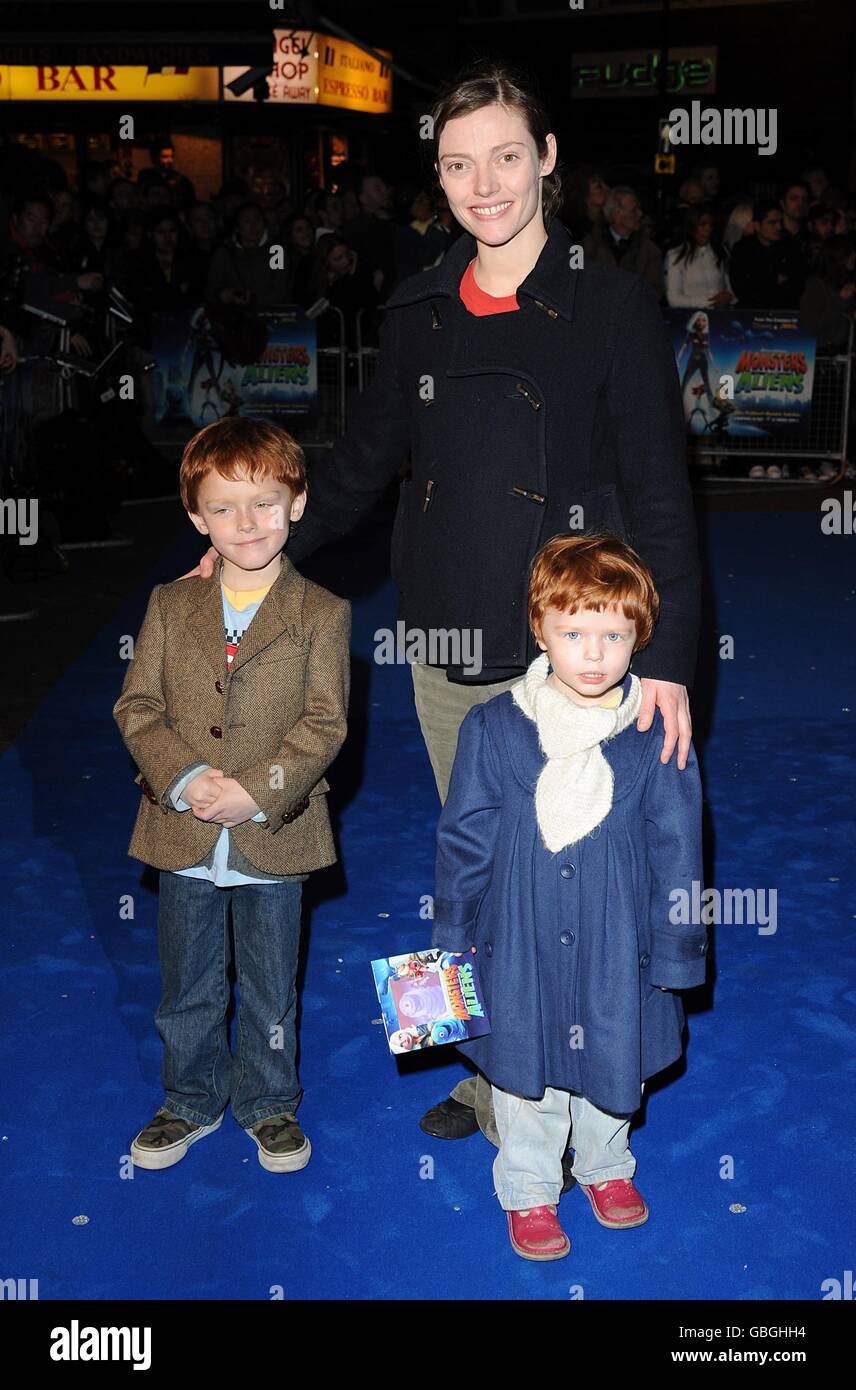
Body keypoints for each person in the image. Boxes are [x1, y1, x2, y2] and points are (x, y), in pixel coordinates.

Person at [180, 58, 702, 1149]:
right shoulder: (416, 308)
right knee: (471, 863)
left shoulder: (609, 306)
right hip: (451, 637)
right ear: (438, 179)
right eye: (459, 165)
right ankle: (479, 1068)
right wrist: (252, 547)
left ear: (547, 160)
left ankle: (593, 1079)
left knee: (582, 880)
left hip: (582, 648)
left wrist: (671, 663)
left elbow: (661, 490)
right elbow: (364, 463)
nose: (485, 184)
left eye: (506, 156)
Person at [430, 533, 707, 1258]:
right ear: (539, 628)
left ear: (639, 635)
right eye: (574, 633)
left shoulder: (656, 732)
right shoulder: (492, 726)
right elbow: (463, 838)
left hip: (619, 937)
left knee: (614, 1052)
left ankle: (606, 1165)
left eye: (614, 635)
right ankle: (527, 1186)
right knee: (522, 1061)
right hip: (515, 934)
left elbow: (679, 849)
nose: (594, 654)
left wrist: (676, 953)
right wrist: (451, 941)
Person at [113, 416, 351, 1173]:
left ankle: (268, 1101)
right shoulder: (167, 605)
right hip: (182, 832)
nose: (247, 523)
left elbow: (325, 725)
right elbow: (137, 708)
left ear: (299, 503)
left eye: (265, 503)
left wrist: (254, 791)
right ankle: (187, 1098)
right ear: (196, 517)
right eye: (224, 507)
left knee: (271, 987)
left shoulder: (323, 613)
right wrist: (185, 779)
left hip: (275, 833)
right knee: (186, 984)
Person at [581, 185, 663, 298]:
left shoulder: (650, 250)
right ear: (616, 216)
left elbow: (654, 291)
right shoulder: (588, 247)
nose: (640, 214)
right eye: (634, 210)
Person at [664, 203, 736, 309]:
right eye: (703, 225)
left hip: (722, 316)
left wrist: (729, 296)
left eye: (711, 225)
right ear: (691, 226)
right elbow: (673, 299)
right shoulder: (675, 255)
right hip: (691, 318)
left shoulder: (720, 250)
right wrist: (710, 301)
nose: (708, 229)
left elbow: (729, 286)